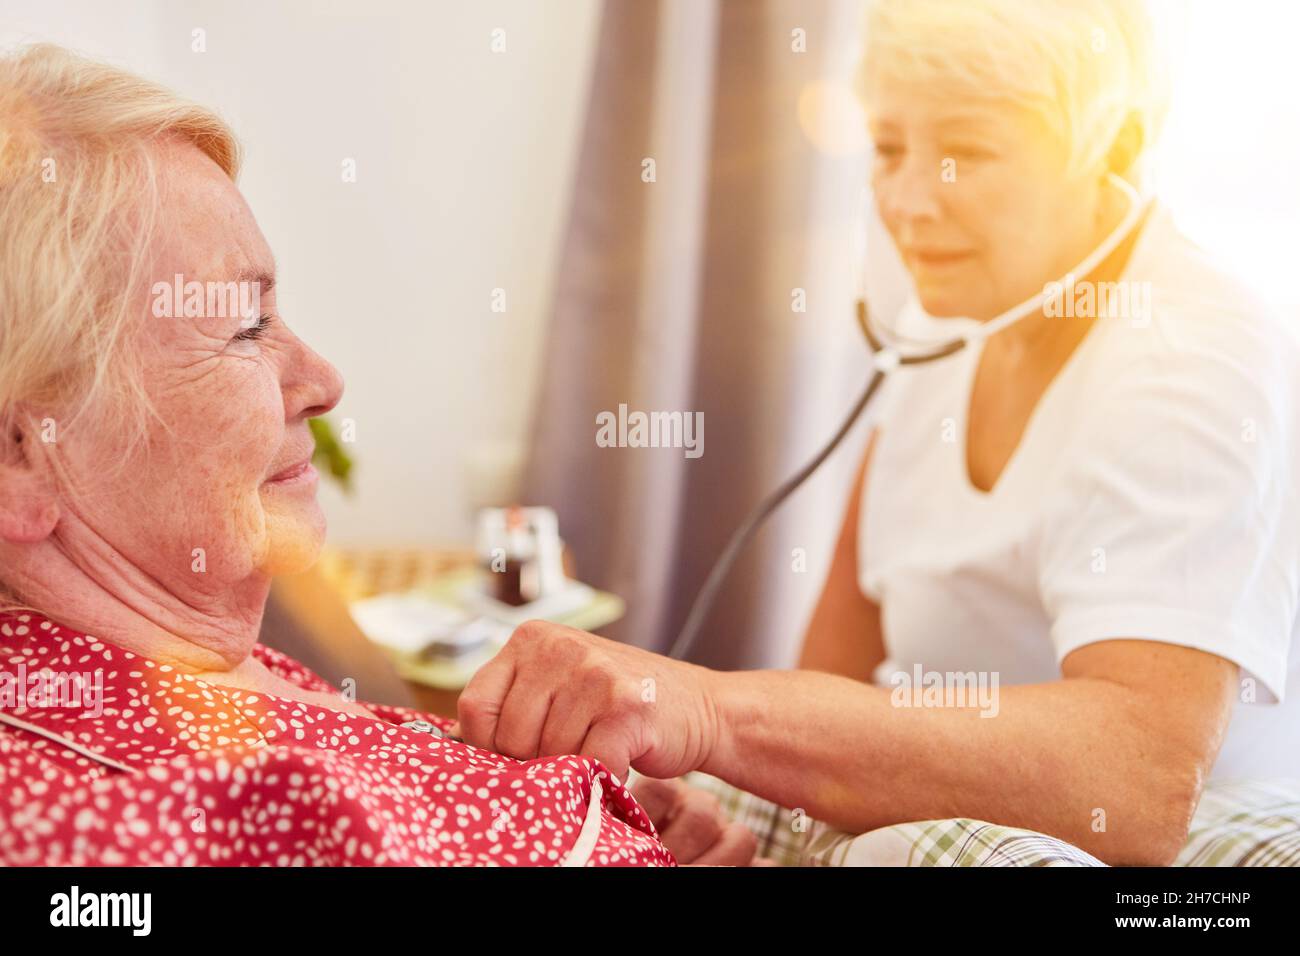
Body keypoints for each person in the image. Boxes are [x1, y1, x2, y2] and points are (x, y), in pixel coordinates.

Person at [451, 0, 1300, 866]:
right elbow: (834, 690)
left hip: (1185, 848)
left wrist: (703, 708)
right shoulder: (947, 332)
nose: (903, 199)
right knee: (616, 803)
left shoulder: (1190, 351)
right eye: (890, 149)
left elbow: (1133, 786)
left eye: (964, 154)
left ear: (1110, 148)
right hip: (939, 823)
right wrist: (707, 803)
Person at [0, 43, 759, 867]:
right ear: (21, 456)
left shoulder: (191, 658)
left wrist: (582, 811)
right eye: (243, 328)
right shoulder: (114, 815)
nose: (323, 380)